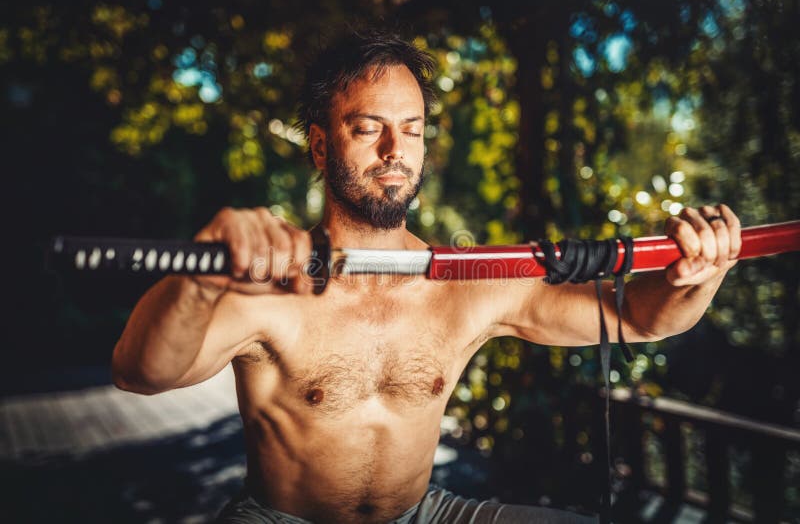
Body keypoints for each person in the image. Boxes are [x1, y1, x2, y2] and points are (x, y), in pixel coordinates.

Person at [111, 30, 741, 523]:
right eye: (369, 129)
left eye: (411, 130)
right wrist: (199, 278)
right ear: (321, 145)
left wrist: (699, 275)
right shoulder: (269, 281)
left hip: (429, 515)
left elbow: (638, 316)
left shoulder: (465, 283)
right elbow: (141, 372)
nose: (396, 151)